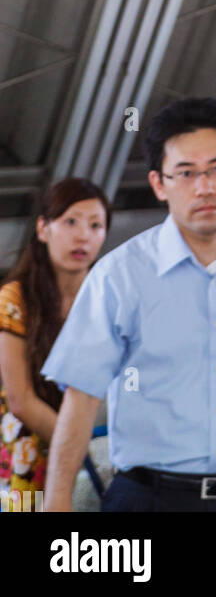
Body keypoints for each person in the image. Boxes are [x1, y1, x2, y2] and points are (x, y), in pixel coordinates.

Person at [42, 97, 216, 512]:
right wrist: (56, 505)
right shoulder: (119, 276)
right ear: (159, 184)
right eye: (185, 173)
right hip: (148, 498)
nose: (204, 187)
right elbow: (80, 402)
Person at [0, 177, 111, 510]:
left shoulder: (109, 297)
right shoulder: (15, 298)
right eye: (71, 222)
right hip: (28, 447)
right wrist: (78, 448)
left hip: (93, 443)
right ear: (43, 228)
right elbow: (21, 400)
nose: (83, 236)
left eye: (96, 226)